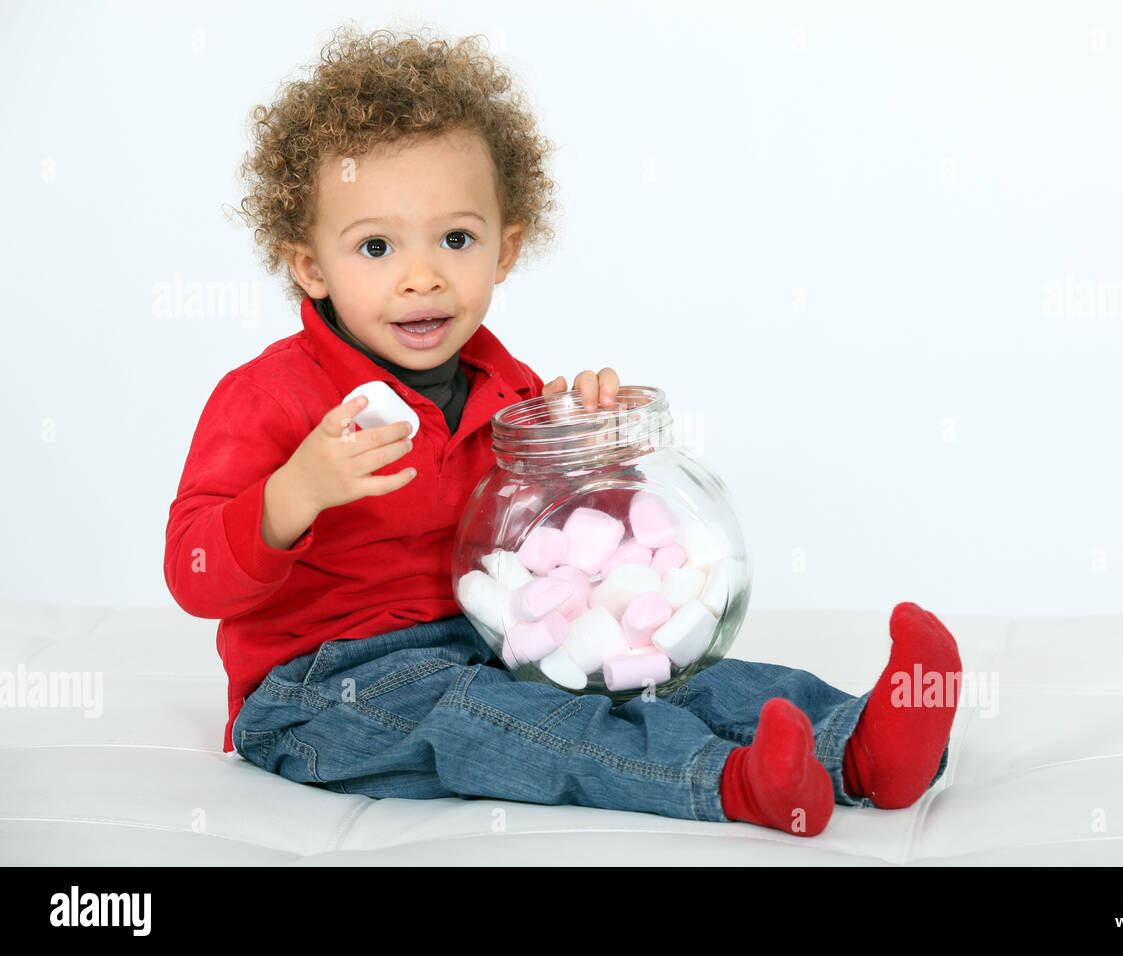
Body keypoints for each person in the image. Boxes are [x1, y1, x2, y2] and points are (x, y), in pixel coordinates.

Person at [164, 24, 961, 838]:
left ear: (506, 249)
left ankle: (860, 748)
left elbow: (574, 558)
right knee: (498, 720)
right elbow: (194, 575)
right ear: (310, 267)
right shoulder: (270, 397)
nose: (422, 274)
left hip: (496, 636)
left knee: (661, 673)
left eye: (457, 238)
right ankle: (729, 782)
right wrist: (293, 493)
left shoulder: (510, 397)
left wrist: (599, 458)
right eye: (375, 245)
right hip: (324, 687)